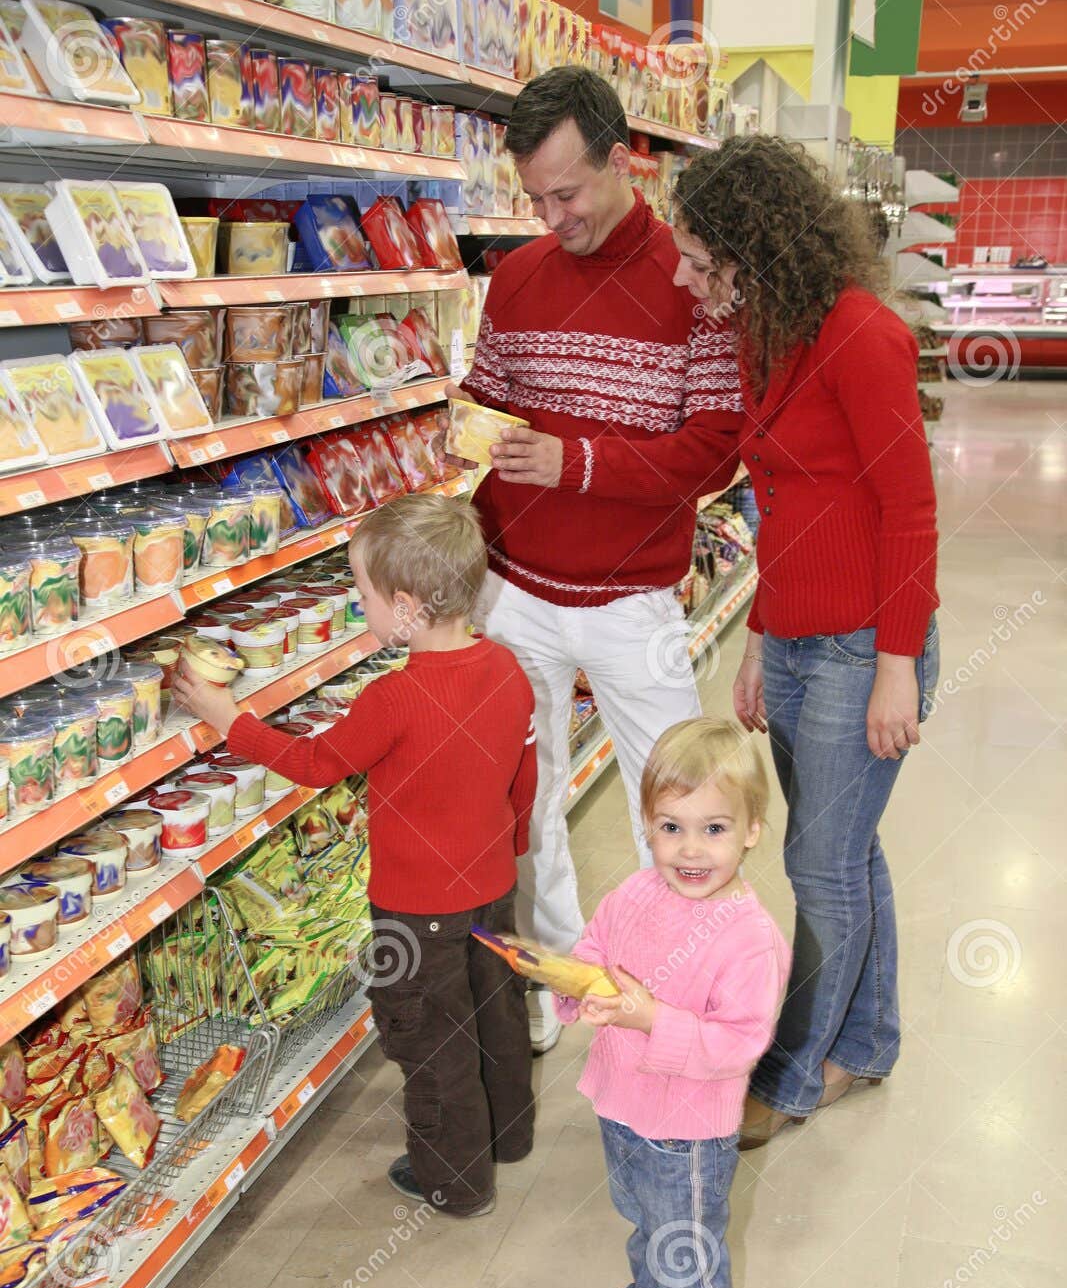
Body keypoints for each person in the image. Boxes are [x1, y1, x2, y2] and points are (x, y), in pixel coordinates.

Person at [450, 66, 743, 1055]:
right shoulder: (519, 275)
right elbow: (484, 416)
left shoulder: (687, 277)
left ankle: (683, 1007)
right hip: (513, 591)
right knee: (520, 805)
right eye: (535, 197)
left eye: (566, 193)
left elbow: (713, 447)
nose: (551, 215)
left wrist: (573, 462)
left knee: (683, 810)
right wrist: (458, 463)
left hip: (632, 600)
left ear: (622, 162)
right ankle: (552, 989)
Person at [670, 137, 941, 1149]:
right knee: (843, 852)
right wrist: (753, 641)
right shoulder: (770, 331)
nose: (682, 276)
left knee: (817, 864)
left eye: (700, 258)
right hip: (793, 640)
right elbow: (782, 507)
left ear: (758, 247)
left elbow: (907, 511)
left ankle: (785, 1077)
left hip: (863, 649)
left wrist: (895, 663)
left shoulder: (862, 336)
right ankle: (862, 1043)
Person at [172, 493, 538, 1218]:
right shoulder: (506, 668)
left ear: (404, 606)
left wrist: (229, 720)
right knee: (495, 1013)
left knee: (433, 1042)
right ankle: (507, 1136)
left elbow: (314, 762)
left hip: (417, 909)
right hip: (491, 886)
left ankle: (453, 1179)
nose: (358, 604)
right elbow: (521, 781)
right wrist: (510, 850)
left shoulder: (394, 698)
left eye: (361, 592)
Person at [556, 719, 789, 1288]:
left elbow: (738, 1043)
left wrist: (653, 1018)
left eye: (714, 828)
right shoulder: (633, 892)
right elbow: (593, 951)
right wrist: (567, 981)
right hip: (622, 1102)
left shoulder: (750, 939)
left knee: (685, 1243)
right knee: (642, 1218)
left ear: (751, 830)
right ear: (646, 825)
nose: (691, 849)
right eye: (671, 826)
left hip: (687, 1129)